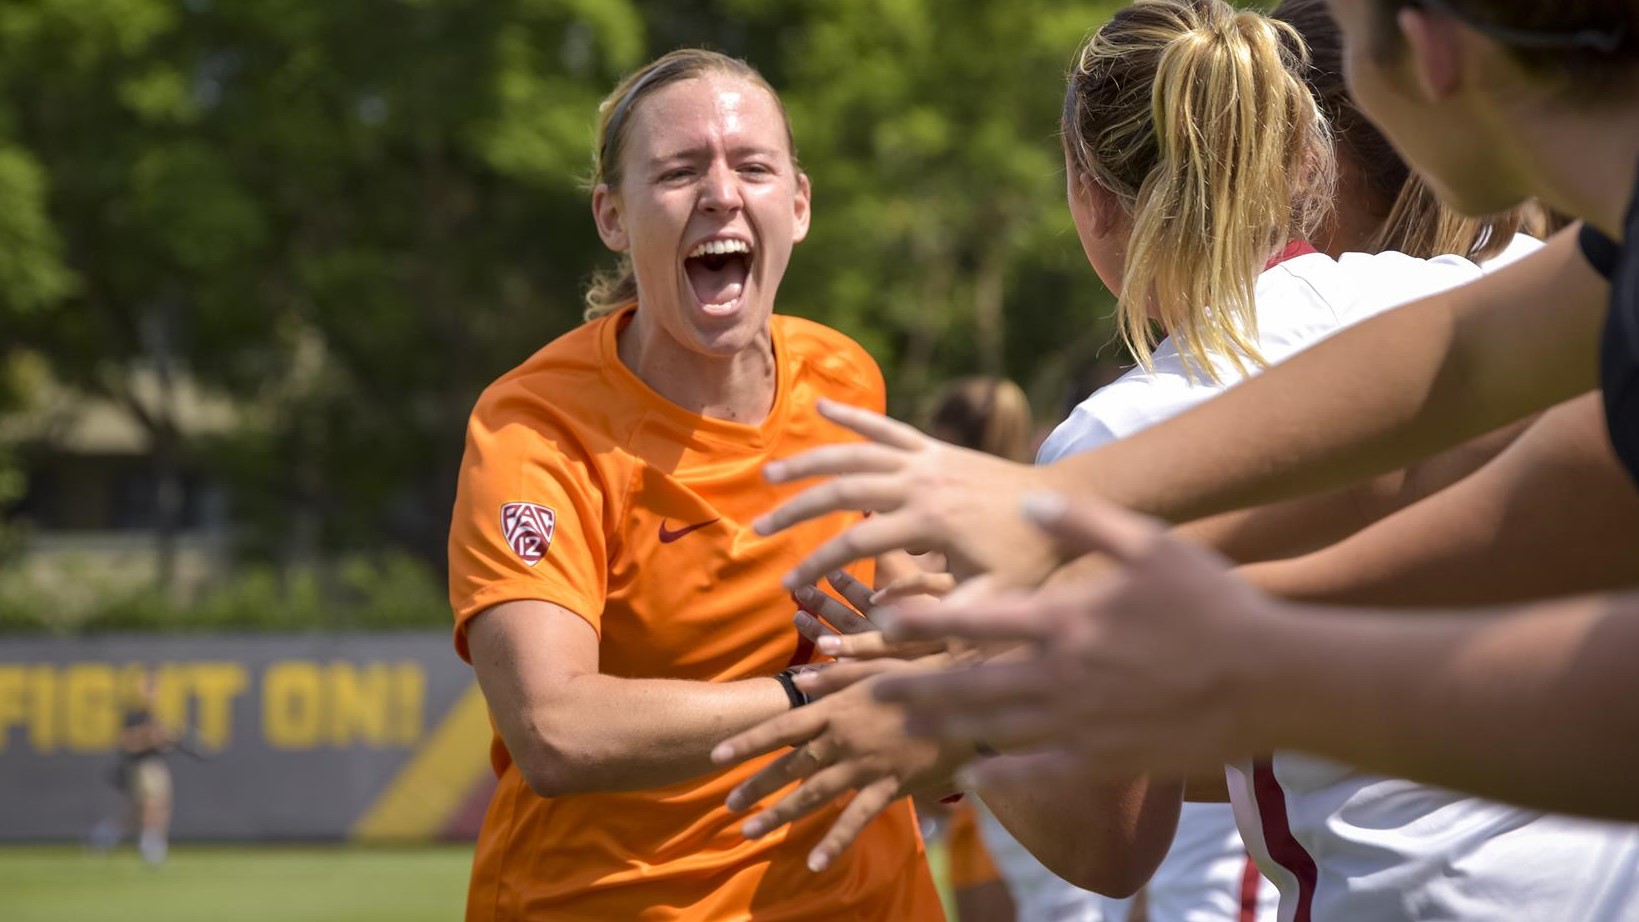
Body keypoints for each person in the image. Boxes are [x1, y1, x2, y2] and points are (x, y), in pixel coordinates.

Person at [737, 0, 1639, 822]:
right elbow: (1468, 381)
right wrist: (1064, 543)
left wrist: (998, 679)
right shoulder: (1539, 275)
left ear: (1430, 47)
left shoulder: (1131, 412)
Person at [446, 48, 941, 920]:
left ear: (797, 203)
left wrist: (929, 658)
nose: (721, 193)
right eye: (678, 172)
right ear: (611, 216)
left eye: (752, 166)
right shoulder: (535, 427)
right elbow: (554, 732)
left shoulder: (844, 375)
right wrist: (811, 698)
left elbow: (903, 638)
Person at [91, 670, 178, 867]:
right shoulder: (134, 715)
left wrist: (164, 739)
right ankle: (148, 844)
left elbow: (163, 745)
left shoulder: (154, 716)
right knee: (149, 805)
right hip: (140, 766)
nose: (153, 693)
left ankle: (113, 837)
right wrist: (147, 737)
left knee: (152, 807)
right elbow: (127, 743)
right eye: (149, 688)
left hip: (155, 764)